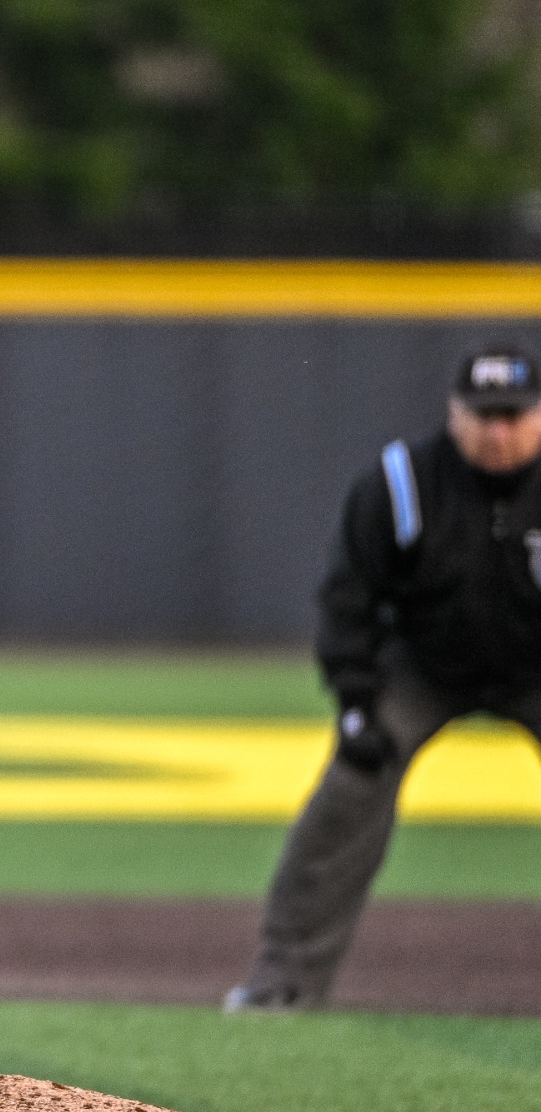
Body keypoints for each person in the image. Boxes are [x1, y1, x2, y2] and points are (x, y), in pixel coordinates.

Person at [225, 346, 541, 1013]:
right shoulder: (404, 481)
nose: (498, 431)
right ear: (455, 415)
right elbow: (349, 597)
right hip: (426, 665)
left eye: (513, 415)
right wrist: (355, 702)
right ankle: (282, 985)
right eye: (483, 415)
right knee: (351, 786)